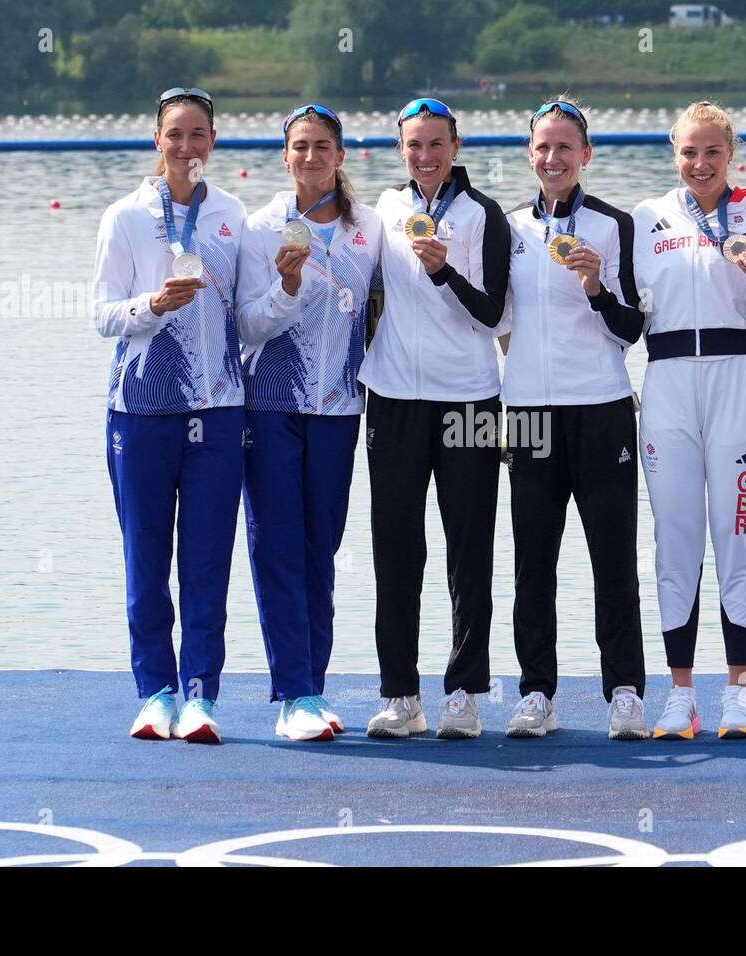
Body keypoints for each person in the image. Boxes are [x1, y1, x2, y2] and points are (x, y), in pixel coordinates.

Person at [631, 101, 746, 740]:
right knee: (674, 539)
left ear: (733, 154)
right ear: (675, 155)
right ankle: (679, 694)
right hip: (668, 383)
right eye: (689, 153)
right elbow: (624, 318)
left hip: (738, 380)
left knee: (736, 535)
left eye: (712, 153)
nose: (700, 165)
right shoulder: (647, 219)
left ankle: (738, 692)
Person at [92, 87, 247, 744]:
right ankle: (155, 691)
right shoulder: (125, 218)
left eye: (197, 135)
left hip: (217, 412)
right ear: (157, 140)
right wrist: (153, 305)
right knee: (146, 559)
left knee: (208, 561)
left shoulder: (235, 217)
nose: (186, 147)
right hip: (142, 412)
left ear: (213, 142)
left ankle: (201, 695)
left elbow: (253, 312)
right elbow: (101, 316)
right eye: (174, 135)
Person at [358, 98, 511, 739]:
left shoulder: (484, 216)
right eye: (414, 145)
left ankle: (464, 693)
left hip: (469, 399)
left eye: (437, 144)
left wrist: (444, 270)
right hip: (392, 398)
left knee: (468, 547)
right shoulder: (382, 213)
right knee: (396, 549)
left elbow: (495, 315)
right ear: (401, 149)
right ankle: (401, 695)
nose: (426, 156)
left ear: (456, 145)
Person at [234, 104, 384, 742]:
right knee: (276, 547)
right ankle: (291, 692)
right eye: (299, 147)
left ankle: (313, 688)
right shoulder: (259, 229)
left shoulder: (370, 228)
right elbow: (246, 326)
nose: (311, 158)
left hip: (338, 409)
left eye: (322, 146)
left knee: (320, 547)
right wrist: (286, 289)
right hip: (269, 407)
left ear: (340, 156)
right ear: (285, 155)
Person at [500, 99, 648, 740]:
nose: (554, 159)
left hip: (603, 410)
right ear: (530, 155)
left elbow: (632, 329)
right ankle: (537, 692)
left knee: (612, 558)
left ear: (586, 156)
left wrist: (595, 287)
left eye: (566, 148)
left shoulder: (616, 227)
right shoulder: (505, 227)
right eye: (543, 148)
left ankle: (625, 692)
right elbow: (494, 318)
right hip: (530, 412)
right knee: (533, 560)